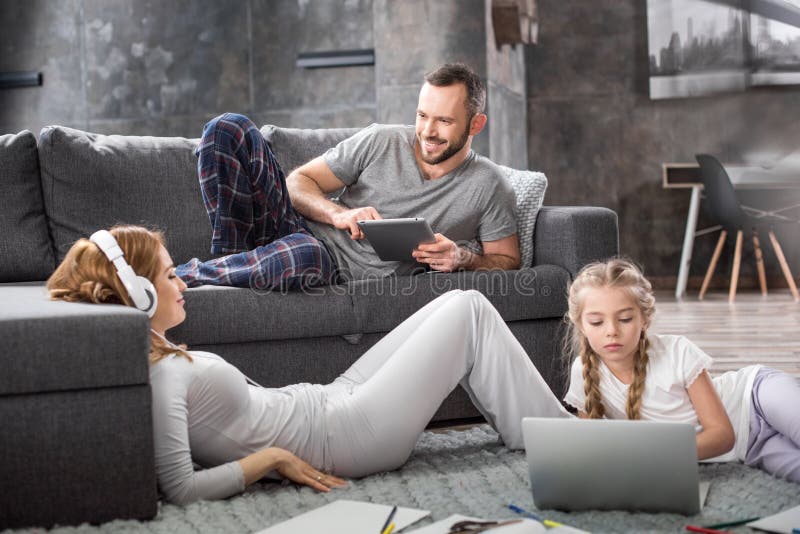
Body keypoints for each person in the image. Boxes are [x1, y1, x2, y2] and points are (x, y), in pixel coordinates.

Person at [48, 225, 570, 505]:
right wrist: (270, 459)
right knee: (469, 308)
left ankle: (545, 426)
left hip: (330, 399)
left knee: (447, 308)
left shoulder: (162, 356)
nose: (182, 283)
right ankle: (558, 436)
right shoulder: (163, 378)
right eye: (167, 277)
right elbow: (179, 488)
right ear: (136, 294)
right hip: (347, 435)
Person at [176, 62, 519, 290]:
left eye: (444, 121)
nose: (427, 131)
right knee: (227, 128)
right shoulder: (380, 140)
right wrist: (340, 214)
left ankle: (183, 278)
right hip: (290, 226)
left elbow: (507, 260)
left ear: (476, 124)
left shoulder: (489, 185)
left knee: (304, 256)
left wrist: (462, 258)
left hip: (325, 263)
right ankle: (228, 270)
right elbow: (297, 184)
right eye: (422, 115)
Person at [563, 258, 800, 483]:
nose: (611, 331)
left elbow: (721, 434)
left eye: (625, 319)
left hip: (757, 397)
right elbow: (592, 446)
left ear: (644, 319)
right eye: (597, 322)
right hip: (750, 448)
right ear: (581, 325)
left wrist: (653, 458)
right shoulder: (582, 371)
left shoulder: (677, 351)